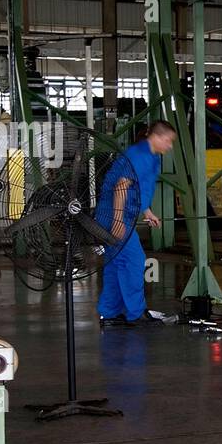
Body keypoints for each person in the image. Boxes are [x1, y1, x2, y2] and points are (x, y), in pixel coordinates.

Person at [96, 120, 176, 326]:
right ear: (156, 137)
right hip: (115, 214)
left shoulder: (151, 157)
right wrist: (117, 220)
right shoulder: (140, 155)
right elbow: (122, 187)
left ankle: (109, 313)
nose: (170, 146)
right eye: (168, 141)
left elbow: (139, 187)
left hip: (121, 213)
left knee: (115, 263)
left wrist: (147, 211)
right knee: (134, 260)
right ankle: (135, 314)